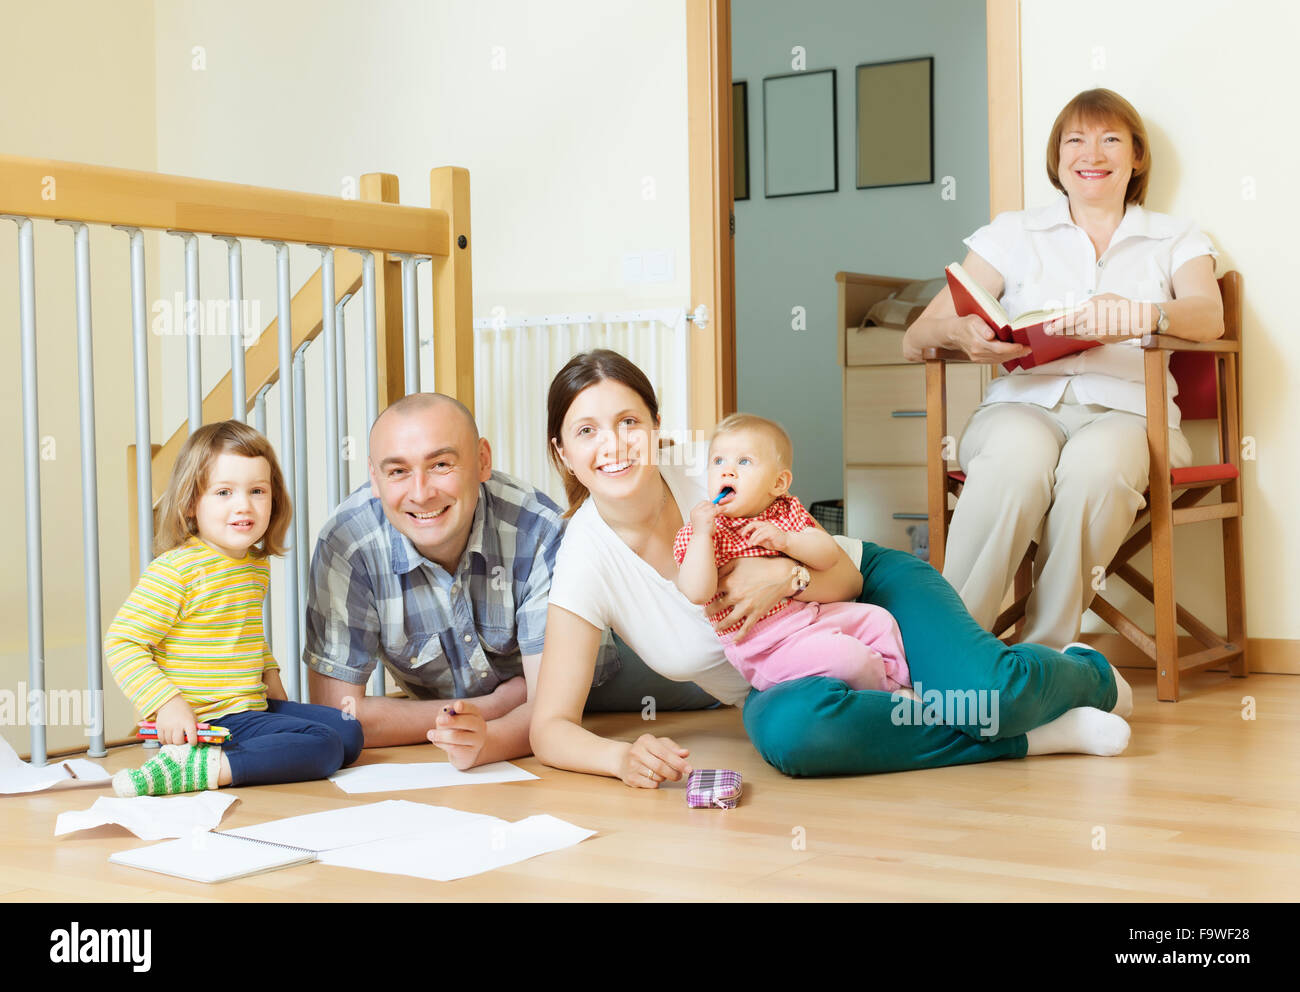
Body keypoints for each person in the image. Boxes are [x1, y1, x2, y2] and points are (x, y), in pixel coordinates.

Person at [529, 350, 1135, 787]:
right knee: (797, 740)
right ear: (562, 451)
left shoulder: (717, 469)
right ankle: (1025, 735)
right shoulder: (584, 556)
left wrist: (785, 578)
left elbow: (842, 579)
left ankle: (1087, 677)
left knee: (990, 691)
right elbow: (549, 725)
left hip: (867, 589)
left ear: (655, 426)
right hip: (785, 675)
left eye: (629, 421)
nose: (613, 445)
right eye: (586, 431)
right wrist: (619, 759)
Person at [903, 88, 1225, 648]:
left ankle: (1041, 657)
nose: (1090, 153)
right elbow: (917, 336)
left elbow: (1208, 316)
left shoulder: (1176, 236)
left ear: (1136, 156)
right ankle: (944, 650)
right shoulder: (1011, 232)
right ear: (1057, 158)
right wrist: (964, 334)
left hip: (1130, 415)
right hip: (1023, 406)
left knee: (1095, 472)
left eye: (1109, 139)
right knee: (1011, 466)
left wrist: (1138, 315)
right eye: (1074, 139)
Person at [304, 392, 716, 770]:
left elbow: (546, 711)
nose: (421, 492)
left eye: (441, 465)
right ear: (375, 479)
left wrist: (490, 728)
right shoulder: (348, 545)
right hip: (501, 709)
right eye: (397, 471)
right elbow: (339, 716)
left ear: (483, 460)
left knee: (719, 668)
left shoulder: (537, 527)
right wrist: (491, 706)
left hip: (610, 670)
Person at [106, 421, 362, 797]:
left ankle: (242, 758)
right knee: (324, 746)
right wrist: (167, 704)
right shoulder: (177, 570)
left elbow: (243, 634)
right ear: (191, 503)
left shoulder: (253, 566)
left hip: (248, 707)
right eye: (224, 492)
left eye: (257, 491)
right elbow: (122, 643)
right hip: (206, 720)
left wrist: (270, 675)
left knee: (348, 732)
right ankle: (205, 767)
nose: (243, 505)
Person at [674, 412, 910, 693]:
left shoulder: (784, 511)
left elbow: (828, 556)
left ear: (778, 483)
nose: (727, 471)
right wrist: (702, 534)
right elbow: (696, 592)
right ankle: (887, 696)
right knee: (852, 659)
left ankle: (898, 683)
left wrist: (787, 541)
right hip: (765, 647)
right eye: (718, 461)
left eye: (744, 461)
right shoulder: (703, 530)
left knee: (879, 620)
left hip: (812, 615)